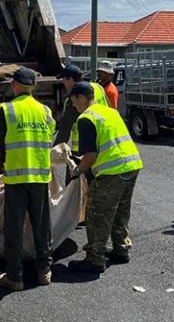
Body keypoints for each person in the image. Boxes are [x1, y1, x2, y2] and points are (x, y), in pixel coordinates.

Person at [66, 82, 143, 273]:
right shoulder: (110, 112)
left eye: (73, 101)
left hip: (112, 171)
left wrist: (77, 172)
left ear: (80, 97)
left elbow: (91, 155)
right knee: (120, 211)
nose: (73, 105)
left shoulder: (86, 119)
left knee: (97, 214)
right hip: (132, 165)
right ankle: (121, 249)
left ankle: (95, 258)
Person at [0, 67, 56, 290]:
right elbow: (49, 139)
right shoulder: (45, 111)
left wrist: (3, 167)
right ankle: (44, 271)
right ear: (34, 87)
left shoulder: (7, 110)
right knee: (42, 226)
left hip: (15, 179)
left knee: (14, 228)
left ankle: (14, 276)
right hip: (39, 178)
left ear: (15, 85)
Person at [54, 65, 109, 155]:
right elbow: (109, 107)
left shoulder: (74, 99)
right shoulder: (98, 87)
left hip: (83, 148)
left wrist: (54, 152)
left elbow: (65, 130)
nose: (63, 82)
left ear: (71, 79)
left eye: (64, 79)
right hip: (104, 140)